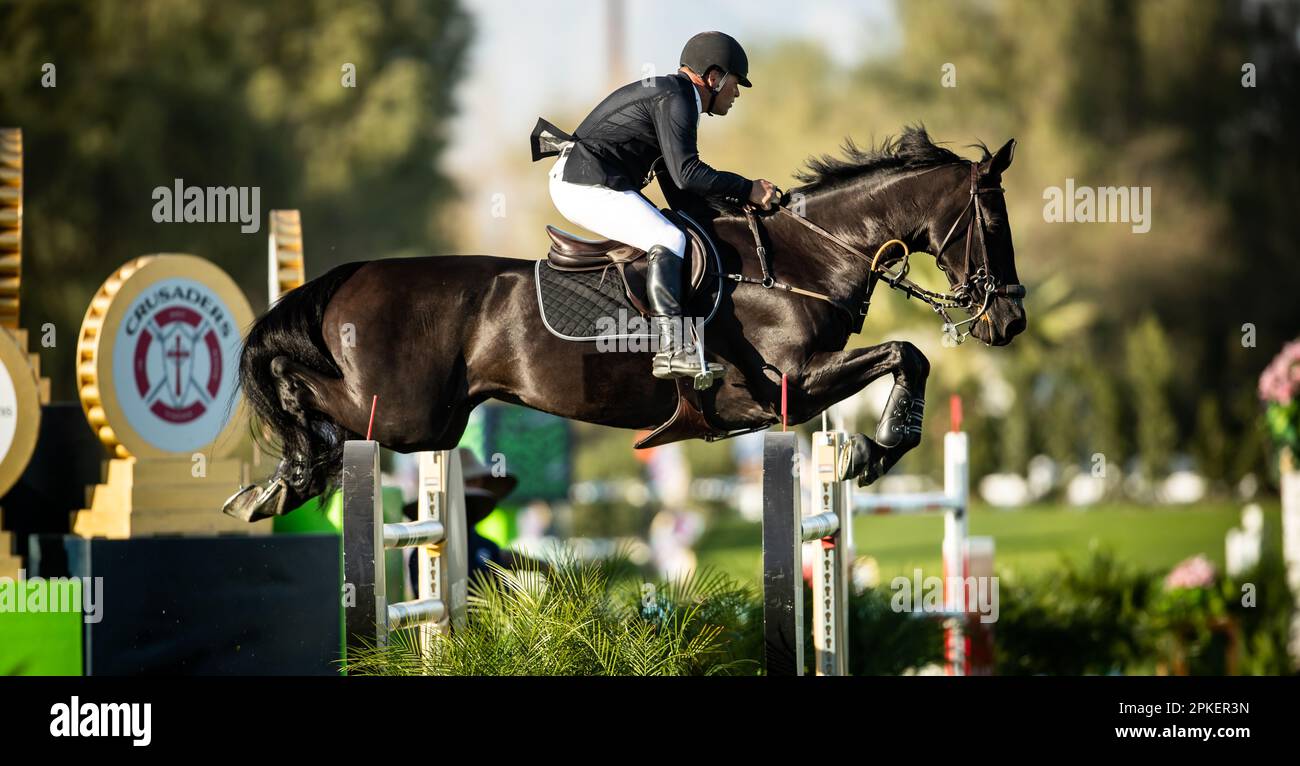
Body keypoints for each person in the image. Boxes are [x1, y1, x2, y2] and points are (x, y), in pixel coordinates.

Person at [533, 31, 779, 382]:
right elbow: (687, 174)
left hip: (587, 179)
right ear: (713, 78)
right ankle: (673, 350)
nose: (737, 93)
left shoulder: (674, 96)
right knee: (667, 237)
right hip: (582, 181)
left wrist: (736, 211)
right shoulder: (676, 97)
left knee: (675, 232)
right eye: (736, 83)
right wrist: (747, 188)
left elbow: (679, 192)